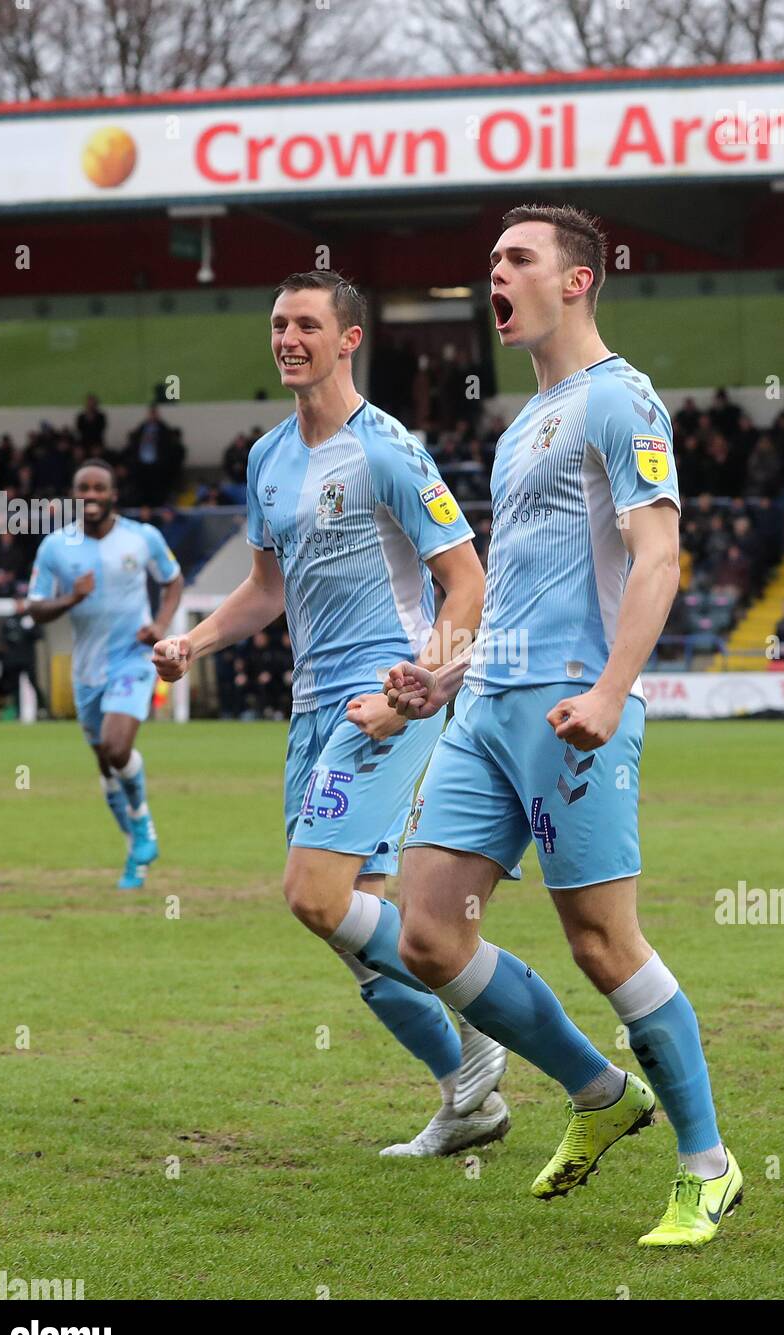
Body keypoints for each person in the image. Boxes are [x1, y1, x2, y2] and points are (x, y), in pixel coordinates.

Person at [384, 205, 741, 1248]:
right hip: (486, 705)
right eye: (491, 257)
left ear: (575, 281)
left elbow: (658, 557)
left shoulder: (618, 399)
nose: (493, 271)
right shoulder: (518, 424)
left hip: (570, 706)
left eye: (515, 257)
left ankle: (706, 1165)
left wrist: (606, 689)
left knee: (599, 941)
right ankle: (596, 1090)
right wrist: (440, 674)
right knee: (427, 932)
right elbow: (504, 587)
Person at [152, 270, 507, 1158]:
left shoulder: (387, 448)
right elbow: (266, 590)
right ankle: (469, 1098)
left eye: (307, 323)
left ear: (349, 339)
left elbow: (465, 579)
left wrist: (422, 685)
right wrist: (195, 643)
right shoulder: (267, 458)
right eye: (278, 323)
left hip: (384, 702)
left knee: (316, 898)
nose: (287, 337)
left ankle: (478, 1012)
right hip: (312, 708)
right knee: (356, 929)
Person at [27, 463, 183, 888]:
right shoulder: (56, 547)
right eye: (83, 488)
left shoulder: (142, 537)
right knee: (105, 763)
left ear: (114, 494)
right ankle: (137, 848)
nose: (91, 495)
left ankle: (143, 826)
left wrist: (162, 624)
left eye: (100, 488)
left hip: (133, 659)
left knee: (117, 748)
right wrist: (71, 597)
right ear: (73, 495)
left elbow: (172, 580)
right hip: (87, 671)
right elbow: (35, 607)